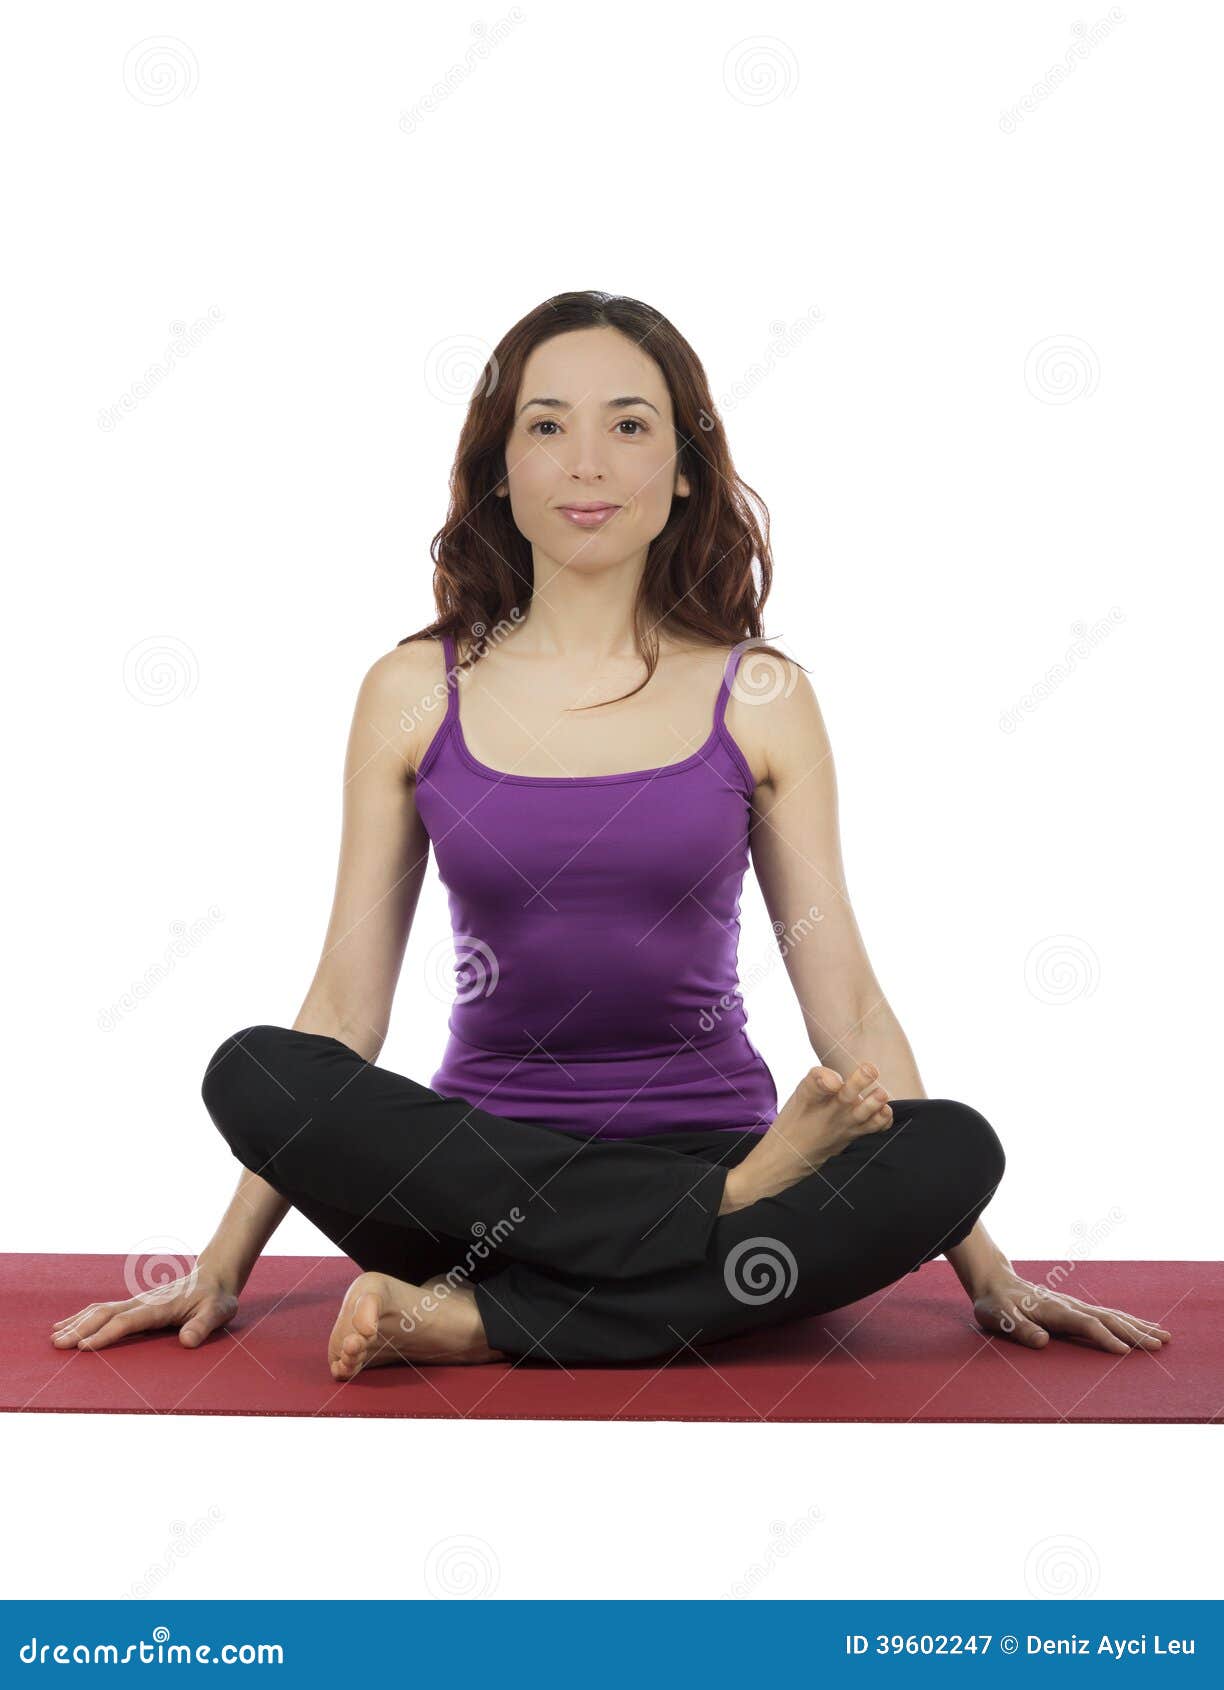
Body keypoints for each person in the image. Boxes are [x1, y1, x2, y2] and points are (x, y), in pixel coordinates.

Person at [51, 292, 1171, 1380]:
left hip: (723, 1148)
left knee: (954, 1145)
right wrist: (220, 1264)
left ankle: (481, 1323)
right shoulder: (411, 691)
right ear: (503, 468)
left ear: (683, 469)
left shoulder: (760, 693)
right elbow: (343, 1013)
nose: (586, 462)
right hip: (476, 1187)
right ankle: (668, 1243)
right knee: (255, 1072)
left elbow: (851, 1011)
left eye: (627, 425)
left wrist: (984, 1265)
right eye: (548, 426)